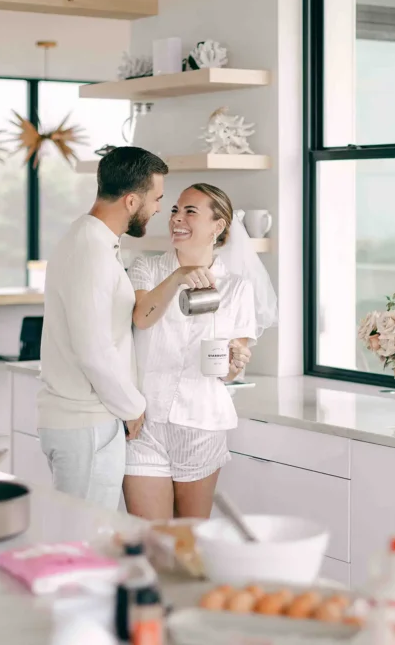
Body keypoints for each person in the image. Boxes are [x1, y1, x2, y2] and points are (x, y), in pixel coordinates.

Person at [123, 183, 278, 520]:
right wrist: (179, 277)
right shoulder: (146, 269)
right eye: (176, 209)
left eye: (190, 211)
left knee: (190, 538)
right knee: (152, 540)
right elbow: (141, 317)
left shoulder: (237, 288)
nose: (177, 218)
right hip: (143, 423)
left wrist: (236, 360)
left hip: (201, 424)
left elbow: (227, 371)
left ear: (218, 226)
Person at [37, 146, 168, 510]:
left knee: (82, 542)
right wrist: (133, 407)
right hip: (86, 425)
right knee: (84, 543)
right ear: (130, 201)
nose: (158, 208)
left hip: (84, 423)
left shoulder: (91, 241)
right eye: (156, 199)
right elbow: (93, 350)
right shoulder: (90, 251)